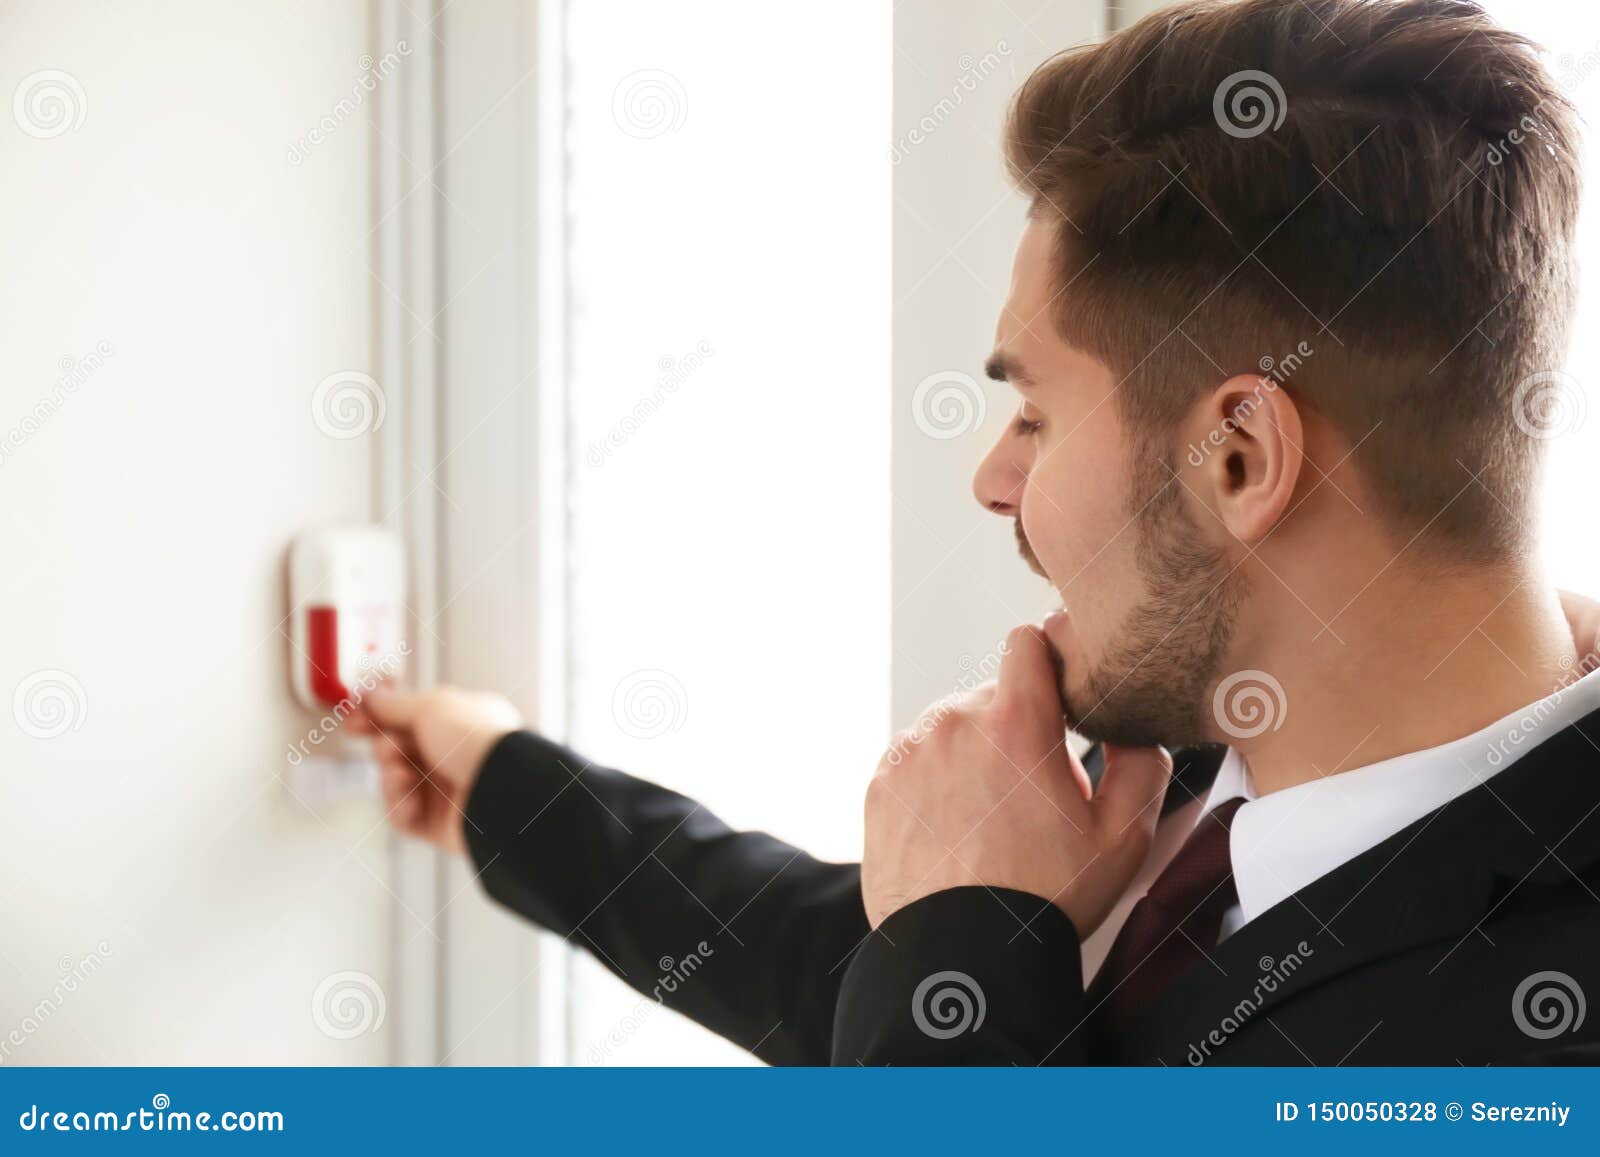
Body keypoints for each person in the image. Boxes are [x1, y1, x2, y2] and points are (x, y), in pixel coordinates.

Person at [347, 0, 1600, 1065]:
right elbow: (864, 965)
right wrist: (506, 787)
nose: (994, 479)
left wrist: (961, 951)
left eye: (1034, 413)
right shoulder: (1233, 757)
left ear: (1238, 458)